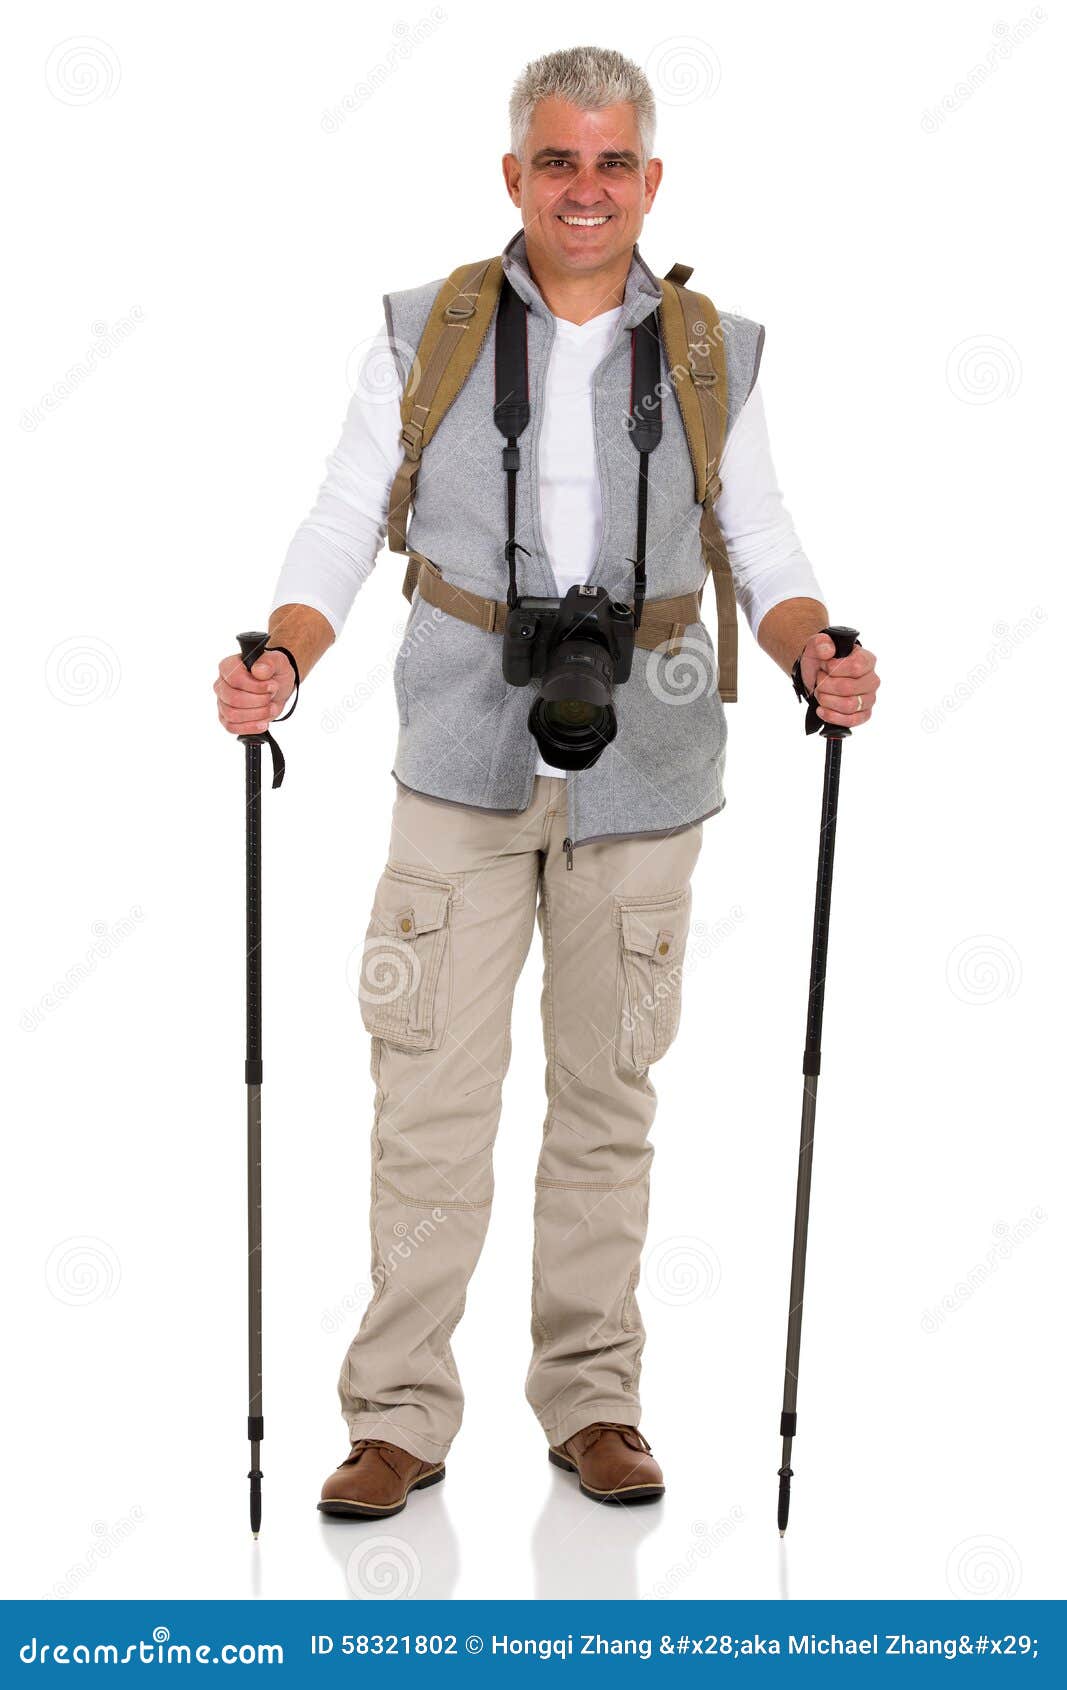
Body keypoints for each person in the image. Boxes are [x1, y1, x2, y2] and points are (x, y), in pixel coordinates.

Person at [214, 45, 880, 1520]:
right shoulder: (425, 332)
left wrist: (814, 652)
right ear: (514, 174)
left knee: (608, 1094)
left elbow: (759, 544)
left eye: (615, 164)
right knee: (429, 1092)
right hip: (459, 739)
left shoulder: (712, 351)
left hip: (649, 755)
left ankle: (595, 1401)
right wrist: (285, 656)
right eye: (560, 162)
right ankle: (397, 1413)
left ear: (652, 180)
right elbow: (340, 519)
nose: (589, 191)